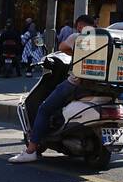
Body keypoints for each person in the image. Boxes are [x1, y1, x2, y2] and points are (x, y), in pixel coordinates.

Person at [9, 14, 97, 163]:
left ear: (81, 26)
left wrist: (75, 53)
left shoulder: (79, 36)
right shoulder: (105, 38)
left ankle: (30, 151)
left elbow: (62, 47)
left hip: (77, 83)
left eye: (78, 27)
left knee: (44, 109)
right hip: (99, 86)